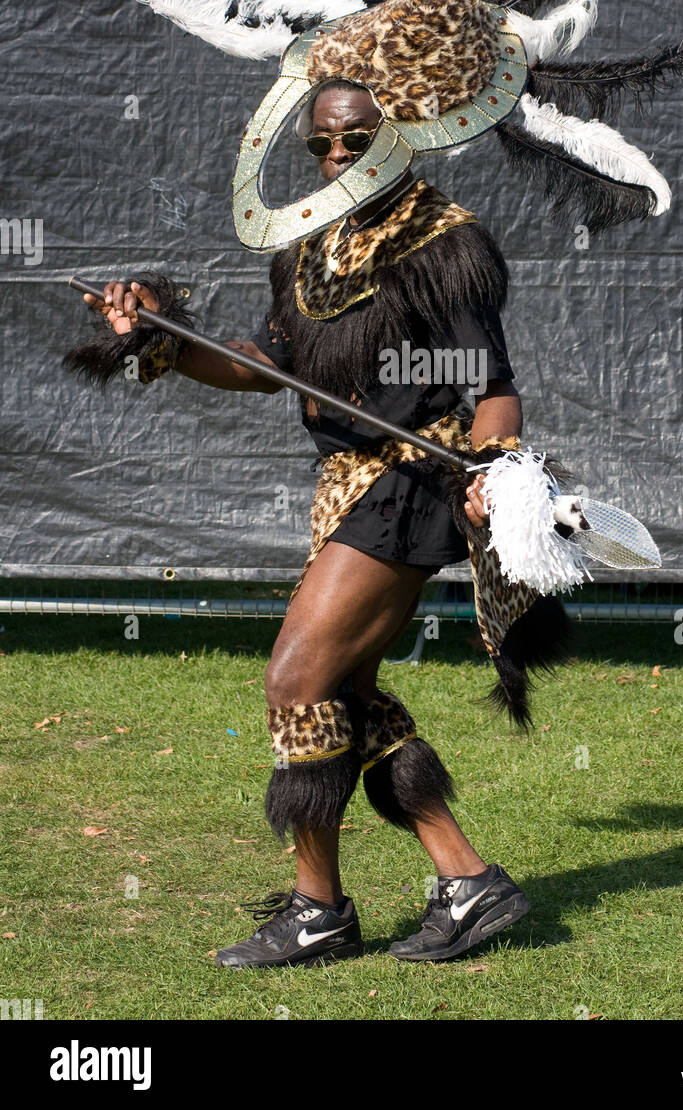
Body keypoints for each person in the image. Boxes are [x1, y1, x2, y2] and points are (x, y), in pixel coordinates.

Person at [79, 77, 534, 967]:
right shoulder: (307, 246)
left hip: (411, 482)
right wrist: (163, 336)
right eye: (320, 145)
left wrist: (496, 470)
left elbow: (496, 387)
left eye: (355, 140)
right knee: (348, 695)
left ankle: (317, 909)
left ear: (398, 136)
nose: (335, 157)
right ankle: (468, 883)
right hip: (345, 485)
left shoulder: (444, 243)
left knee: (296, 680)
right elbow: (267, 365)